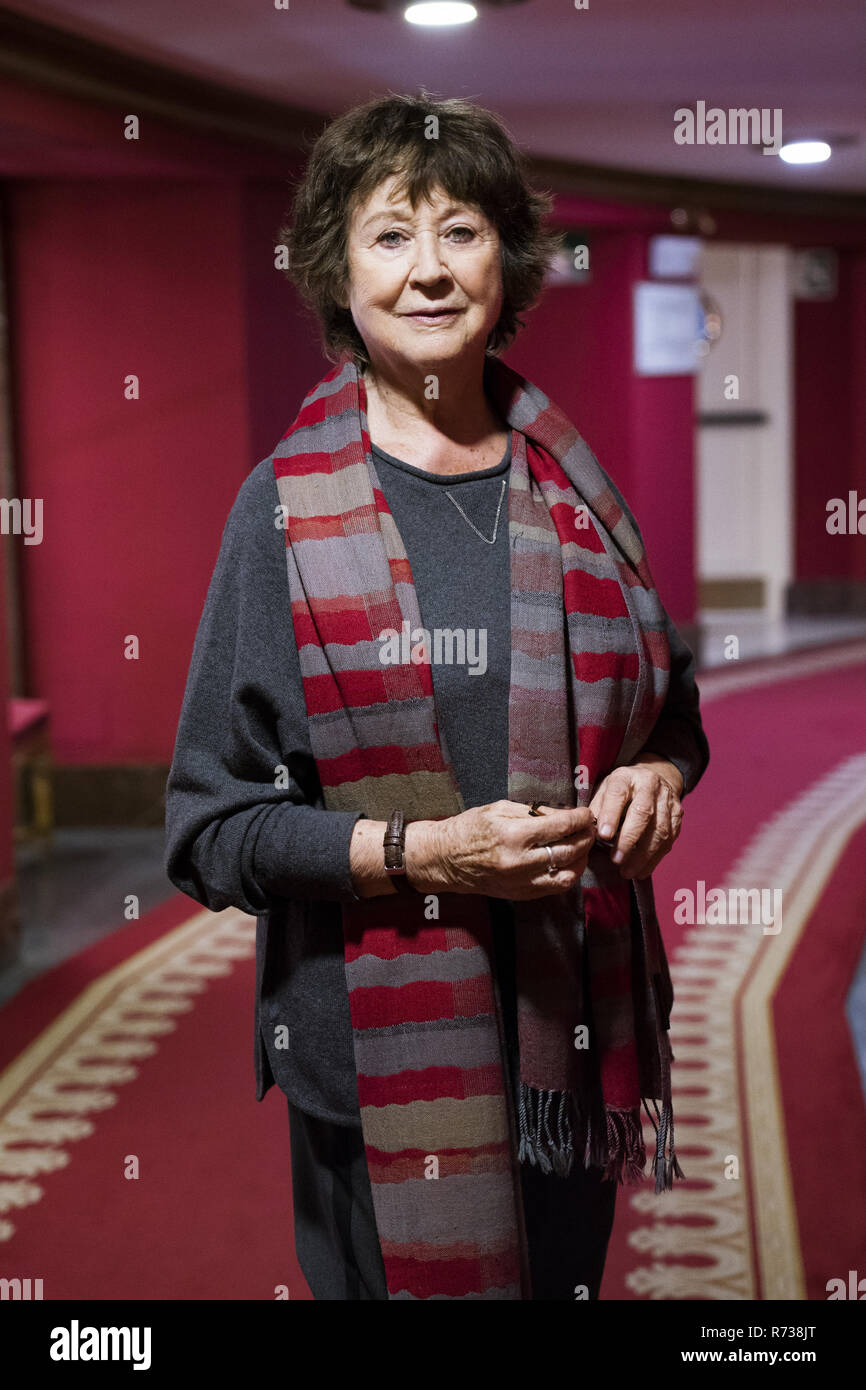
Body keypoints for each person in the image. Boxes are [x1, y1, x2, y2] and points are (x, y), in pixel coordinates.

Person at [164, 91, 710, 1302]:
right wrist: (423, 853)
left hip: (568, 1035)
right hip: (371, 1052)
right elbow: (207, 830)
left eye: (459, 232)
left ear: (504, 262)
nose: (427, 272)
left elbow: (672, 708)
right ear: (335, 272)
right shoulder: (280, 514)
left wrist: (654, 777)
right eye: (388, 235)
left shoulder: (572, 477)